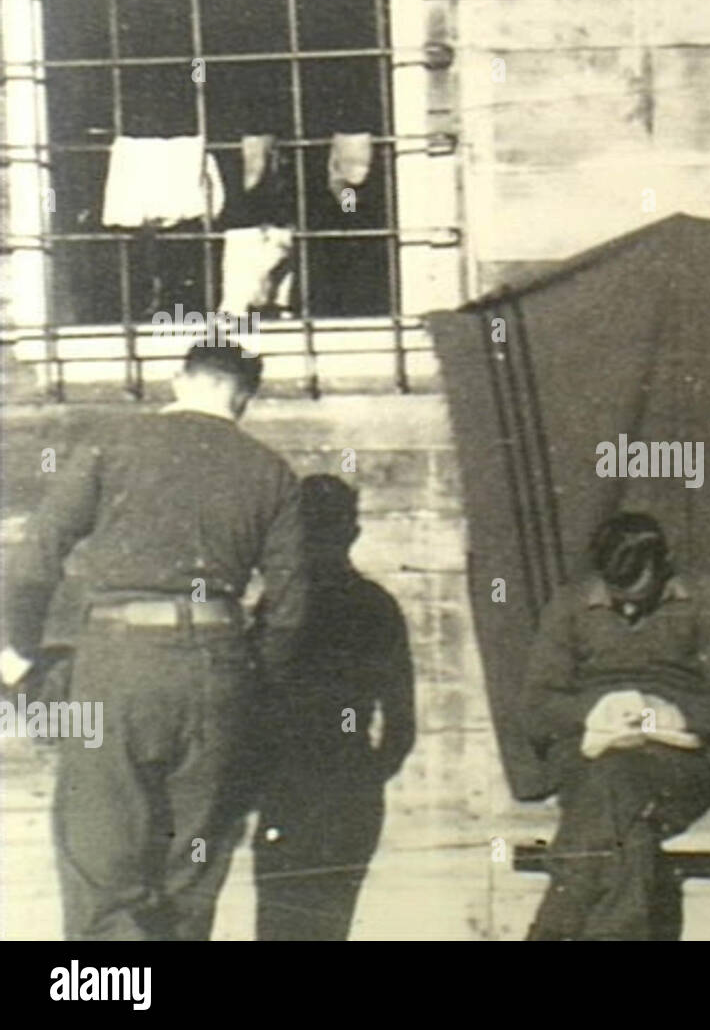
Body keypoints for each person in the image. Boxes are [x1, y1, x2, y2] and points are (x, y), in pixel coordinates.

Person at [0, 343, 305, 941]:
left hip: (119, 665)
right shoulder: (271, 471)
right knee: (193, 865)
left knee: (100, 855)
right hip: (221, 669)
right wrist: (250, 683)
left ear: (178, 380)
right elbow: (291, 608)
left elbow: (37, 555)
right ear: (246, 395)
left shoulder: (112, 444)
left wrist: (17, 650)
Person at [520, 512, 710, 940]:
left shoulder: (704, 599)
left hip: (674, 762)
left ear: (665, 566)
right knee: (633, 841)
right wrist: (594, 711)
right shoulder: (569, 604)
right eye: (616, 594)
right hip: (590, 754)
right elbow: (536, 710)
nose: (626, 606)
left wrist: (673, 714)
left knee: (616, 795)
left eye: (639, 596)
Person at [252, 474, 415, 940]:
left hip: (288, 788)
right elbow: (401, 728)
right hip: (349, 791)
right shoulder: (378, 606)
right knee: (329, 925)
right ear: (352, 532)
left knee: (279, 925)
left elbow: (251, 703)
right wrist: (362, 776)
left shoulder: (279, 608)